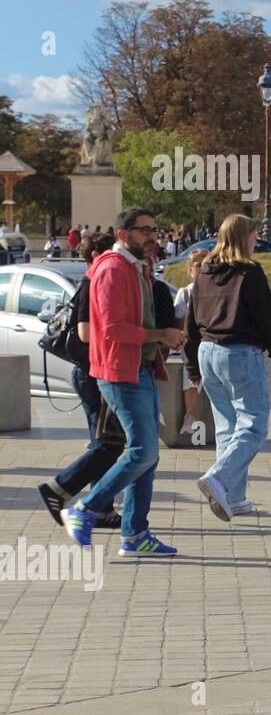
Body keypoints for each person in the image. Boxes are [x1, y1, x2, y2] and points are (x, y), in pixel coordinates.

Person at [61, 208, 185, 556]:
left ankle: (134, 534)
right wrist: (160, 334)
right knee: (142, 452)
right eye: (143, 230)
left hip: (139, 370)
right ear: (122, 234)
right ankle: (86, 509)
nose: (152, 236)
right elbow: (112, 329)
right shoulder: (113, 270)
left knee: (148, 455)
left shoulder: (136, 268)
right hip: (119, 372)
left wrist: (166, 337)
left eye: (155, 229)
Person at [185, 214, 271, 521]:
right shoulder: (250, 272)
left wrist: (192, 365)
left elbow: (191, 320)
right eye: (255, 235)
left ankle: (234, 496)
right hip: (239, 352)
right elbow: (265, 316)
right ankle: (218, 478)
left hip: (207, 351)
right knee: (254, 426)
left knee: (229, 425)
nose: (256, 241)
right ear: (245, 237)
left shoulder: (204, 270)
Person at [38, 233, 121, 528]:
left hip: (94, 372)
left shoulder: (95, 279)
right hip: (91, 373)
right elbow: (85, 333)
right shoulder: (91, 283)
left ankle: (101, 509)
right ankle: (60, 488)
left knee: (106, 443)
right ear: (96, 253)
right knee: (108, 444)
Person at [172, 247, 207, 434]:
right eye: (197, 265)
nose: (201, 268)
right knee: (190, 376)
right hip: (191, 344)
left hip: (211, 343)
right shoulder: (185, 293)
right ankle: (189, 415)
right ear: (190, 270)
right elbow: (177, 320)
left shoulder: (217, 289)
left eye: (205, 264)